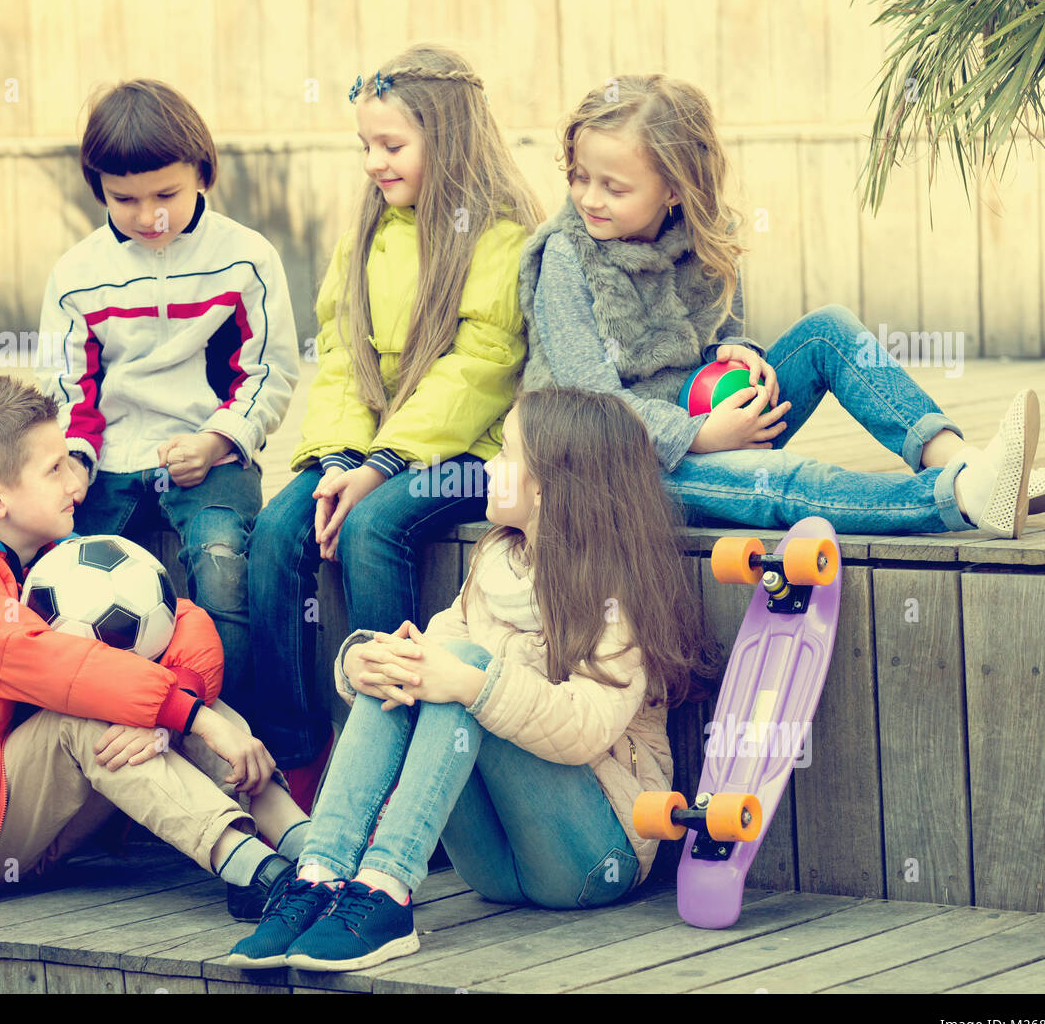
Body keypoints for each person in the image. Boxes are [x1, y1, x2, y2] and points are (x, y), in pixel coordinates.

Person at [226, 388, 720, 972]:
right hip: (493, 865)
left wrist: (472, 684)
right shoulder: (495, 562)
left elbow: (586, 726)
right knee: (419, 669)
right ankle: (320, 874)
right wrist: (358, 663)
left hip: (592, 855)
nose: (488, 466)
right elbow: (428, 653)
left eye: (505, 453)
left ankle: (386, 887)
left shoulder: (618, 592)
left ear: (549, 486)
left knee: (465, 672)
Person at [519, 74, 1045, 537]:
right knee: (780, 478)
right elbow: (591, 403)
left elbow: (714, 340)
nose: (590, 198)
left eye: (613, 188)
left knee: (827, 332)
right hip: (612, 472)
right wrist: (704, 437)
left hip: (713, 424)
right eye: (579, 177)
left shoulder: (703, 240)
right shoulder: (567, 258)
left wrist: (735, 353)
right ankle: (959, 494)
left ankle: (962, 459)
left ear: (675, 189)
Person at [0, 377, 310, 919]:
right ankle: (256, 873)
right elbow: (53, 665)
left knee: (180, 703)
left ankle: (306, 847)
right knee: (92, 719)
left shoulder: (60, 556)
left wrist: (185, 703)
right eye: (54, 468)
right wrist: (186, 716)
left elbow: (180, 619)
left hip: (40, 813)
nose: (75, 480)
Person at [246, 45, 544, 813]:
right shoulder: (369, 233)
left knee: (375, 526)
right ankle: (295, 751)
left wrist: (381, 464)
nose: (375, 163)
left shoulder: (501, 234)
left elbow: (478, 370)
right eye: (365, 146)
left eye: (392, 146)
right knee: (281, 528)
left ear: (448, 139)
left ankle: (389, 756)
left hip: (467, 451)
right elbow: (342, 357)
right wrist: (343, 453)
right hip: (373, 449)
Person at [36, 78, 299, 733]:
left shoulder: (246, 259)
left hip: (212, 455)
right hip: (108, 460)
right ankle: (98, 733)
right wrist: (72, 457)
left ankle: (234, 729)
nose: (148, 213)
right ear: (96, 186)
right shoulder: (77, 274)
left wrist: (219, 439)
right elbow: (71, 383)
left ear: (202, 174)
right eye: (124, 198)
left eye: (166, 194)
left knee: (220, 568)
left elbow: (270, 370)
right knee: (65, 577)